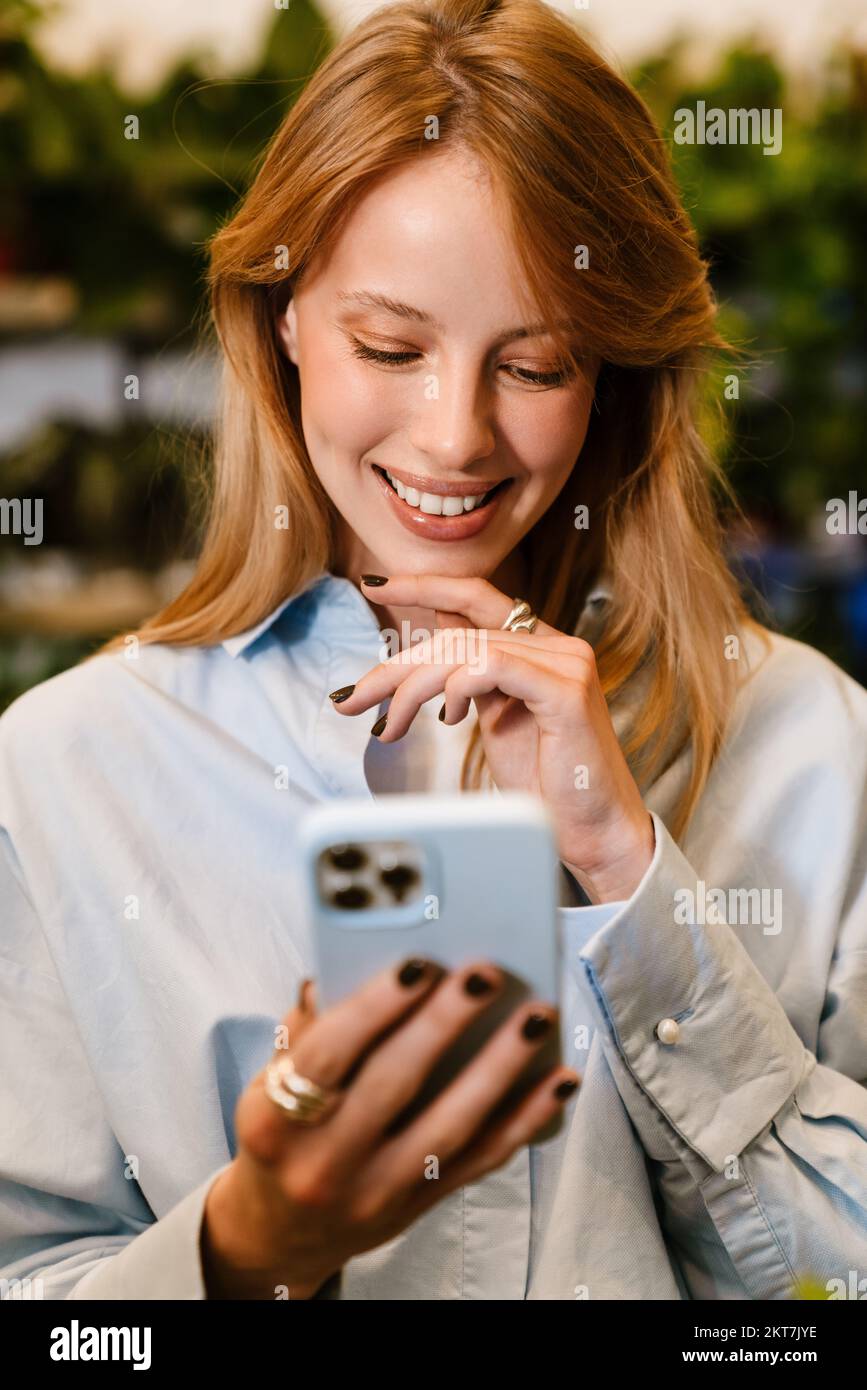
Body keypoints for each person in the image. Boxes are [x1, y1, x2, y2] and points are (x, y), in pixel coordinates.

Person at [1, 0, 865, 1302]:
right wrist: (251, 1242)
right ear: (282, 318)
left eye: (536, 363)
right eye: (389, 346)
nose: (455, 436)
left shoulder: (810, 742)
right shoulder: (65, 771)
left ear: (619, 373)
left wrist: (633, 879)